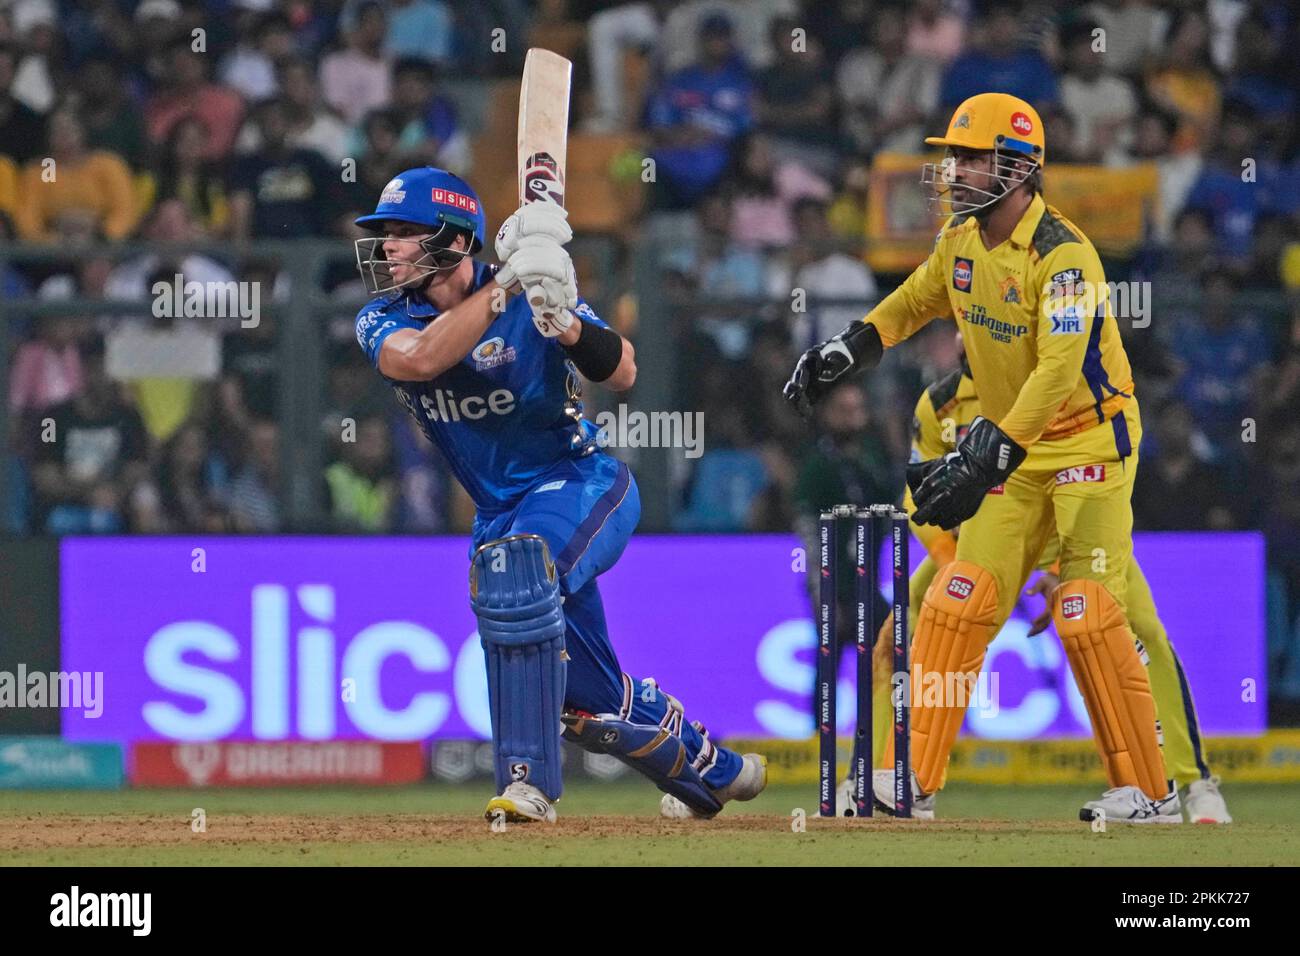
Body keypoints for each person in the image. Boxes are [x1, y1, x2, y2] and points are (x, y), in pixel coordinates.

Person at [785, 92, 1176, 823]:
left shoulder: (1064, 257)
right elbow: (911, 303)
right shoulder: (961, 241)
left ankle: (1152, 795)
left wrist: (983, 456)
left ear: (1019, 167)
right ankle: (907, 785)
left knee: (1087, 612)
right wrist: (850, 346)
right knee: (953, 604)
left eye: (972, 157)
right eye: (954, 155)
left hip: (1090, 446)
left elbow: (1059, 374)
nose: (955, 170)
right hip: (1016, 458)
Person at [351, 166, 766, 824]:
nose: (387, 248)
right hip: (500, 512)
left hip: (579, 482)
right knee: (588, 693)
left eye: (403, 234)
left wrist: (564, 319)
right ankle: (715, 768)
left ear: (454, 241)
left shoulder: (532, 293)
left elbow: (624, 369)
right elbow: (422, 359)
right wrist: (508, 285)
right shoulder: (382, 317)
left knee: (519, 578)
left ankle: (529, 786)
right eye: (386, 235)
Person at [832, 350, 1231, 824]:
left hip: (1069, 535)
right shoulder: (940, 403)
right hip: (985, 543)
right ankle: (877, 778)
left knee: (1141, 629)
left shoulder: (1050, 385)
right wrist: (951, 562)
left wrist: (1063, 567)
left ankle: (1194, 784)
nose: (970, 332)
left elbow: (1080, 477)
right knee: (900, 633)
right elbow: (915, 494)